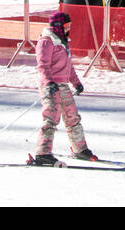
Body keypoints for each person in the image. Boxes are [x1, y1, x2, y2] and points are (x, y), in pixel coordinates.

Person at [30, 10, 96, 165]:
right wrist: (49, 82)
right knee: (51, 118)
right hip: (50, 85)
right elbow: (43, 65)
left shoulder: (63, 41)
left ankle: (79, 149)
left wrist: (76, 82)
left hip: (63, 85)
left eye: (70, 25)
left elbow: (69, 66)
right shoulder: (46, 41)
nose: (68, 28)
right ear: (58, 25)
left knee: (72, 116)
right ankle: (43, 152)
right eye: (67, 25)